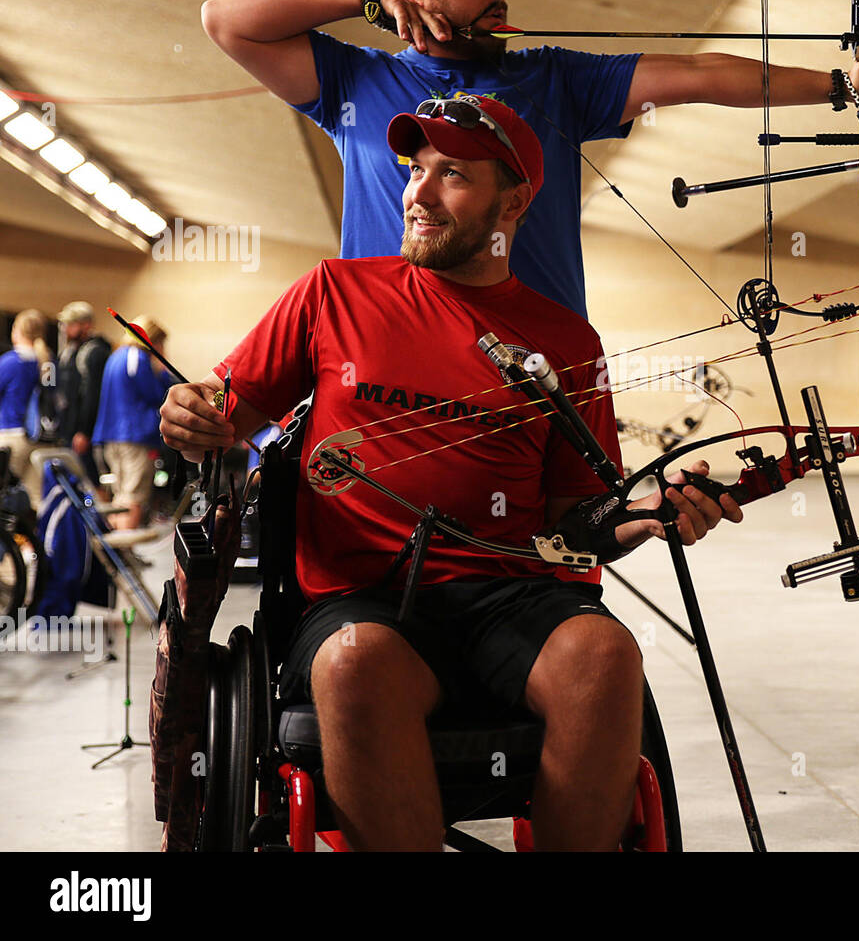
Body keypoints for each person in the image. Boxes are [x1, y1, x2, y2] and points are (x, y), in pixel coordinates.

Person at [159, 98, 741, 851]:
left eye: (453, 175)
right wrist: (191, 417)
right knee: (355, 662)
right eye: (416, 170)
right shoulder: (333, 292)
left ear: (514, 200)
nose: (419, 193)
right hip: (363, 604)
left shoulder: (566, 340)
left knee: (606, 654)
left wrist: (649, 514)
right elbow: (221, 412)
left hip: (516, 600)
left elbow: (578, 521)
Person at [200, 0, 859, 315]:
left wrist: (838, 83)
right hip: (392, 350)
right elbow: (225, 20)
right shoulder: (355, 80)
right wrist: (362, 1)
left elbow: (702, 74)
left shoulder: (552, 78)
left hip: (535, 357)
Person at [92, 316, 174, 530]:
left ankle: (119, 553)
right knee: (134, 496)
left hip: (112, 436)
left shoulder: (116, 355)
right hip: (135, 436)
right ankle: (124, 554)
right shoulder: (138, 357)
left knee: (121, 496)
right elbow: (157, 395)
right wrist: (162, 370)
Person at [54, 301, 111, 483]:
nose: (66, 330)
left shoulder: (95, 352)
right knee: (75, 480)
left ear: (86, 325)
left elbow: (93, 395)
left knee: (91, 480)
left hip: (86, 433)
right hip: (69, 430)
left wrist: (85, 432)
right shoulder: (69, 353)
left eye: (72, 324)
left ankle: (97, 511)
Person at [0, 310, 52, 501]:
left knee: (4, 491)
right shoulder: (48, 362)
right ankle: (41, 530)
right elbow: (53, 393)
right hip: (39, 436)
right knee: (36, 496)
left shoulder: (11, 361)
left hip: (12, 435)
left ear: (17, 331)